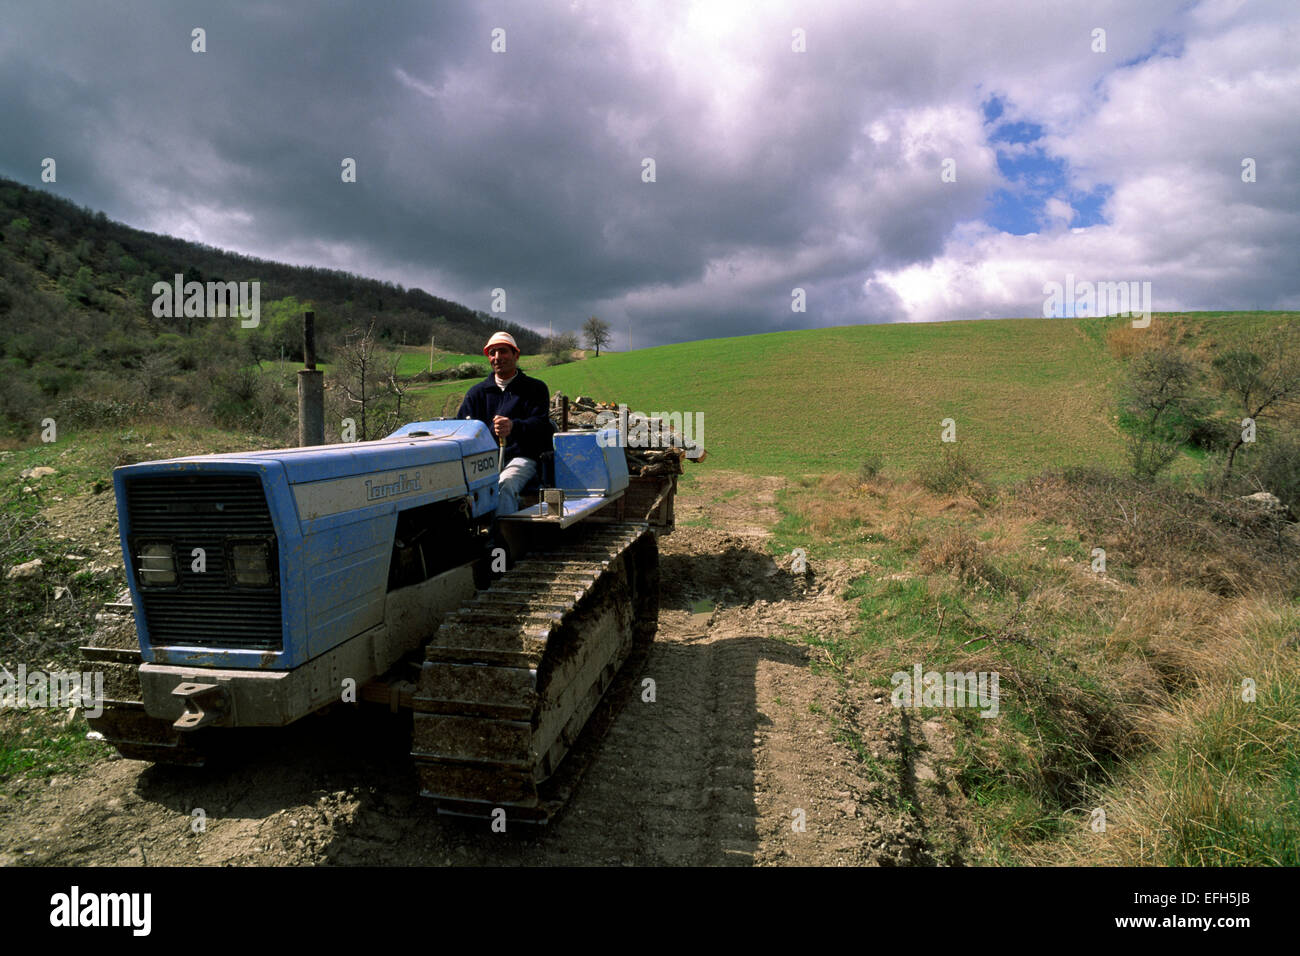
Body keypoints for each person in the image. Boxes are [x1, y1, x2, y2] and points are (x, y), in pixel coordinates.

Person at [456, 332, 554, 515]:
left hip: (523, 457)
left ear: (516, 355)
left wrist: (514, 426)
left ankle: (499, 541)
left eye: (503, 351)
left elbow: (541, 425)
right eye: (492, 353)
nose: (497, 358)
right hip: (483, 461)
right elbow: (461, 429)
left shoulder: (535, 389)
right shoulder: (476, 393)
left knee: (503, 486)